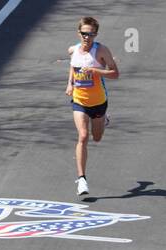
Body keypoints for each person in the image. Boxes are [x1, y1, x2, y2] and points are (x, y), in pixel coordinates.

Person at [66, 15, 118, 197]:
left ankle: (104, 120)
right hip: (79, 101)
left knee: (96, 137)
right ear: (79, 33)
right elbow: (73, 66)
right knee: (83, 136)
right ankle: (82, 179)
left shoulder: (101, 51)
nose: (87, 37)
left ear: (96, 35)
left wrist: (97, 71)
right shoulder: (74, 50)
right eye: (84, 34)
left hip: (98, 102)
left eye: (91, 34)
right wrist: (70, 84)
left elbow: (115, 73)